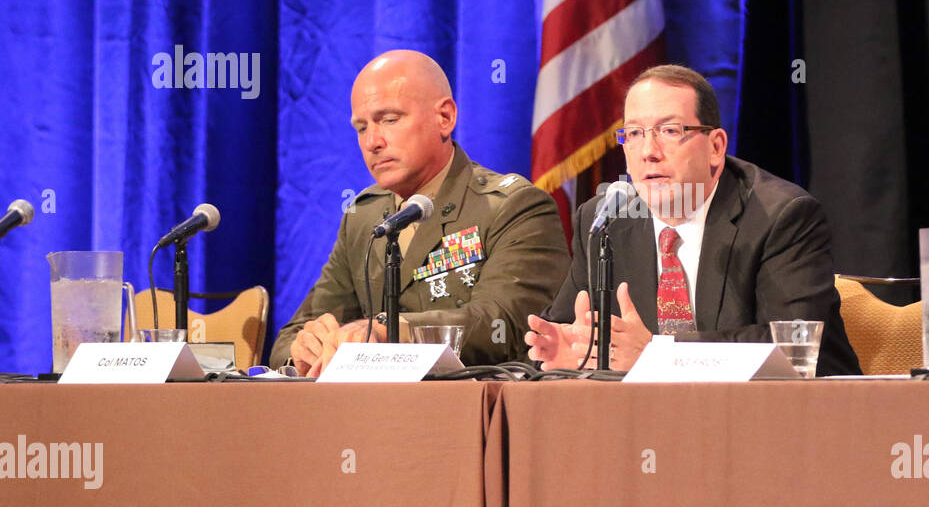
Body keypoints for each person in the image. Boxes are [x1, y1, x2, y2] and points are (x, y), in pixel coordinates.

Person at [525, 64, 861, 376]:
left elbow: (791, 344)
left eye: (669, 131)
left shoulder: (781, 216)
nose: (648, 152)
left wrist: (657, 355)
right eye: (635, 134)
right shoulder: (603, 220)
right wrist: (561, 349)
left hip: (796, 419)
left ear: (715, 146)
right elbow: (564, 330)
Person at [269, 50, 570, 375]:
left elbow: (502, 326)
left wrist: (389, 332)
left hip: (475, 408)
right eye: (360, 127)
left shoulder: (513, 207)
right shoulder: (363, 217)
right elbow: (288, 339)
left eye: (389, 119)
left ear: (445, 118)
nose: (372, 142)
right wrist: (303, 349)